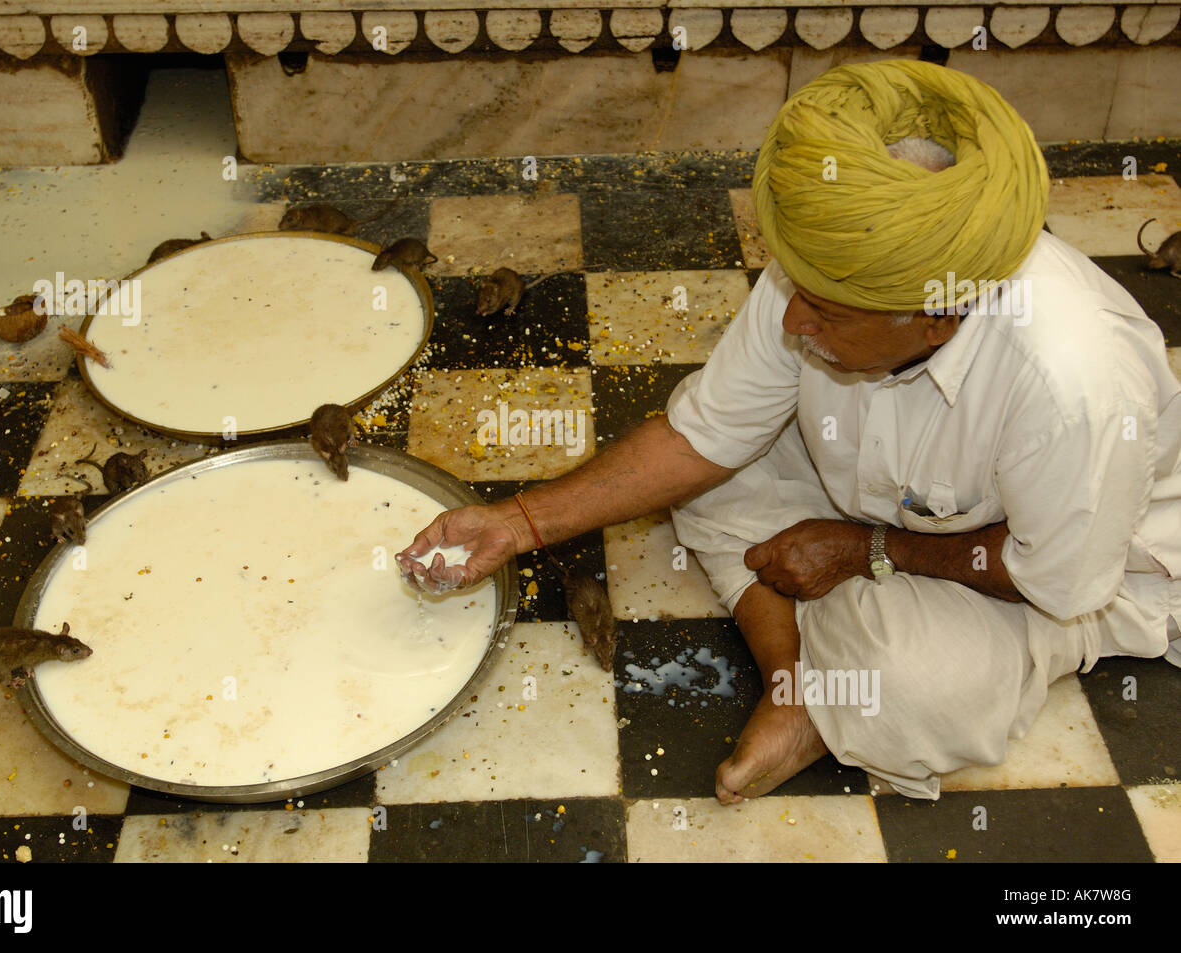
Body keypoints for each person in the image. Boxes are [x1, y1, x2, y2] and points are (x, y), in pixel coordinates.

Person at [396, 60, 1181, 802]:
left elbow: (1056, 579)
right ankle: (797, 684)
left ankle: (846, 659)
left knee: (911, 679)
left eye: (827, 312)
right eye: (796, 288)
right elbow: (699, 440)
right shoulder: (835, 275)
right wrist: (513, 523)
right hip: (883, 499)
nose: (794, 320)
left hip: (1057, 570)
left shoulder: (1072, 382)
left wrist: (868, 550)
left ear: (938, 313)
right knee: (712, 479)